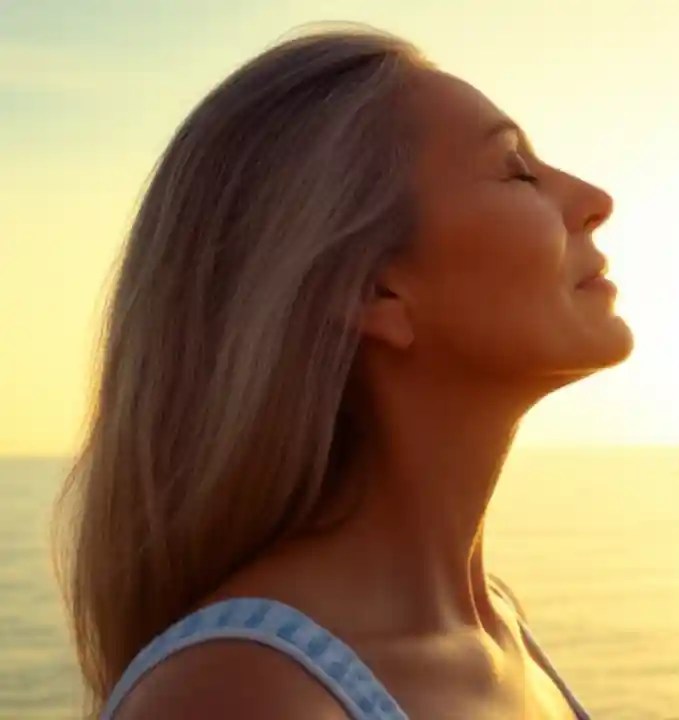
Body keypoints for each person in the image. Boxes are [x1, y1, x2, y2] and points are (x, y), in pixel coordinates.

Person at [55, 24, 632, 720]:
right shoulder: (240, 696)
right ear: (374, 291)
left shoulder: (497, 630)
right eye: (515, 169)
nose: (594, 199)